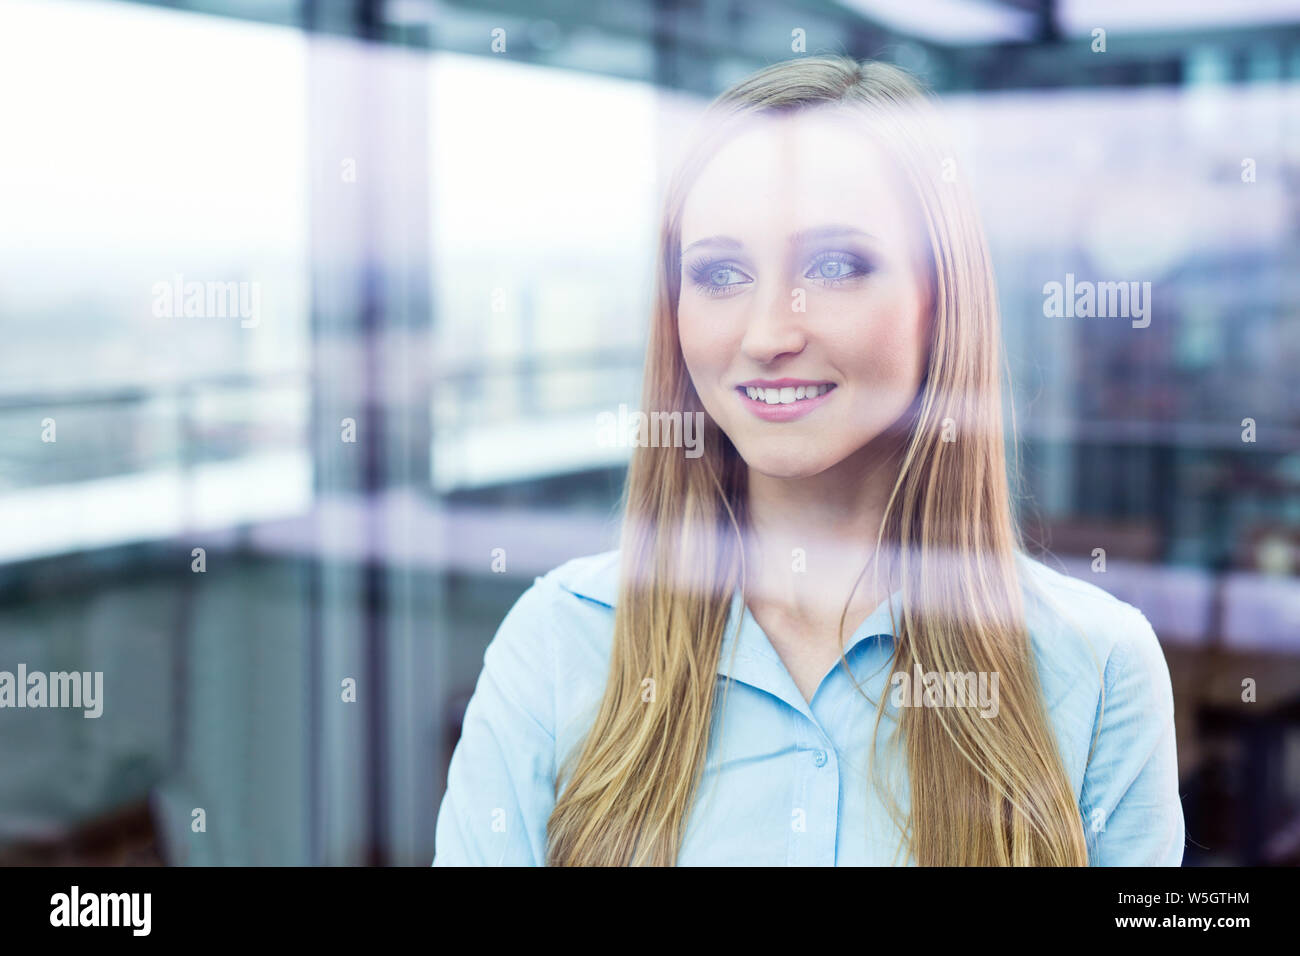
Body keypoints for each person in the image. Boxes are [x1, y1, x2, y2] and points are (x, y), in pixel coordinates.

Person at [433, 54, 1184, 866]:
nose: (766, 335)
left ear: (942, 298)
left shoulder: (1096, 670)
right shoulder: (557, 644)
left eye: (834, 266)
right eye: (720, 273)